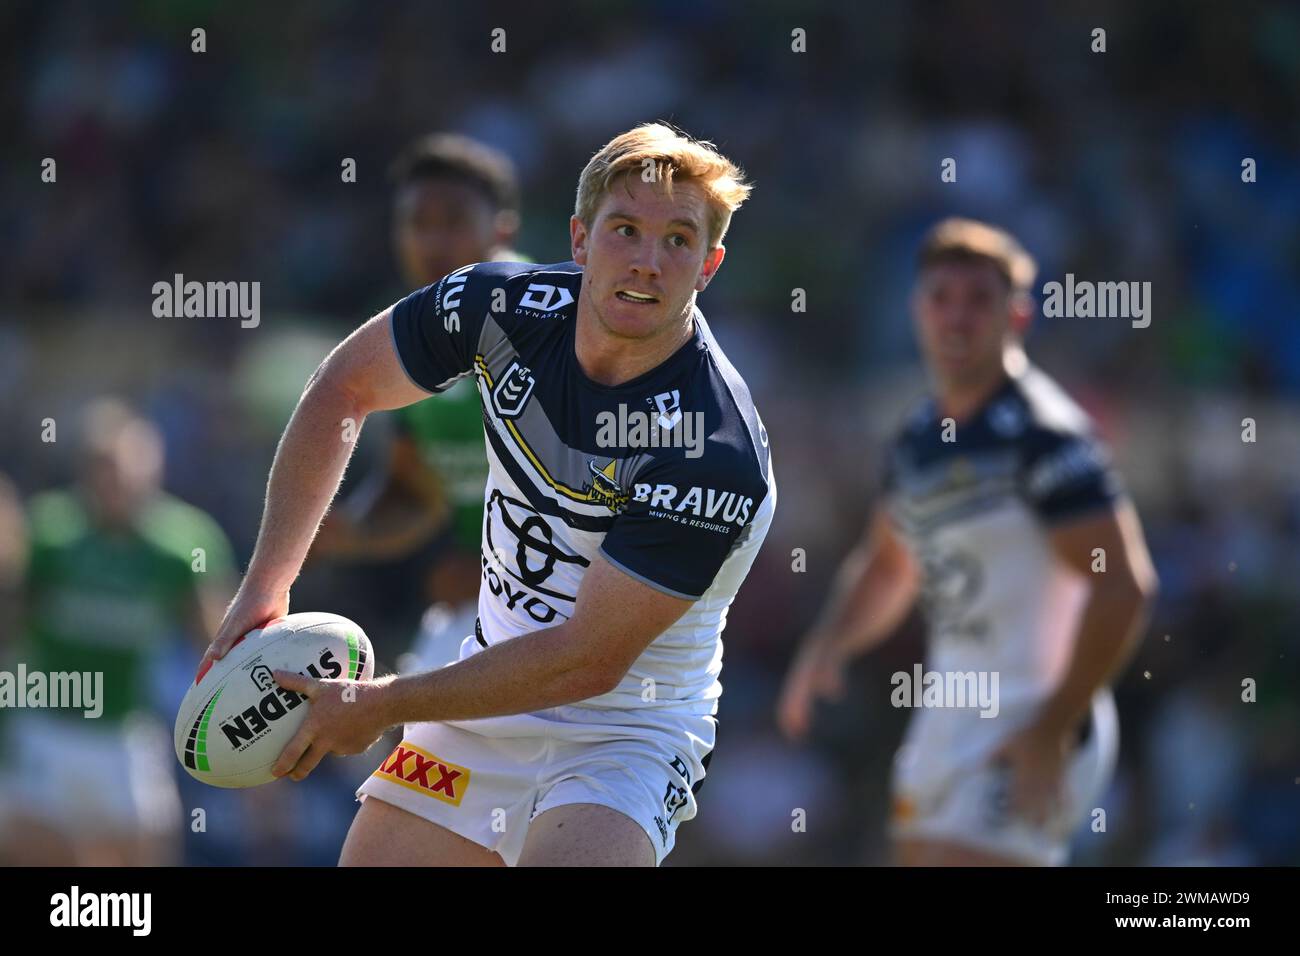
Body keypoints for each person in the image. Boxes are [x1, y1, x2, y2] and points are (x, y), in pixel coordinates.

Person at [204, 123, 776, 867]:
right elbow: (341, 390)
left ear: (709, 265)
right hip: (480, 701)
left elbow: (586, 661)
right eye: (625, 229)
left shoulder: (709, 449)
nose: (646, 260)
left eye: (678, 240)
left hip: (624, 733)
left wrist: (380, 707)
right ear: (579, 238)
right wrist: (267, 586)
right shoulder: (499, 307)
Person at [777, 218, 1158, 866]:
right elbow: (891, 565)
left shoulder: (1046, 438)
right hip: (949, 714)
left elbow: (1124, 587)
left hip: (1032, 719)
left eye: (978, 300)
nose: (956, 318)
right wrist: (827, 645)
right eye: (940, 298)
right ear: (916, 310)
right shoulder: (920, 434)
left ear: (1017, 315)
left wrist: (1051, 728)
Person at [311, 133, 528, 672]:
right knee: (405, 740)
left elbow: (607, 479)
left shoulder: (545, 322)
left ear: (501, 228)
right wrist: (350, 530)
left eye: (453, 220)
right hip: (480, 613)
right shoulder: (404, 338)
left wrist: (508, 568)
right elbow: (417, 492)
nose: (433, 240)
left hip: (572, 615)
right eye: (416, 222)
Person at [0, 399, 234, 865]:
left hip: (125, 728)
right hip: (48, 724)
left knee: (148, 849)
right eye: (103, 468)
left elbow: (216, 644)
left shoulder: (181, 544)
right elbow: (12, 624)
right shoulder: (51, 532)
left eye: (128, 468)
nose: (116, 482)